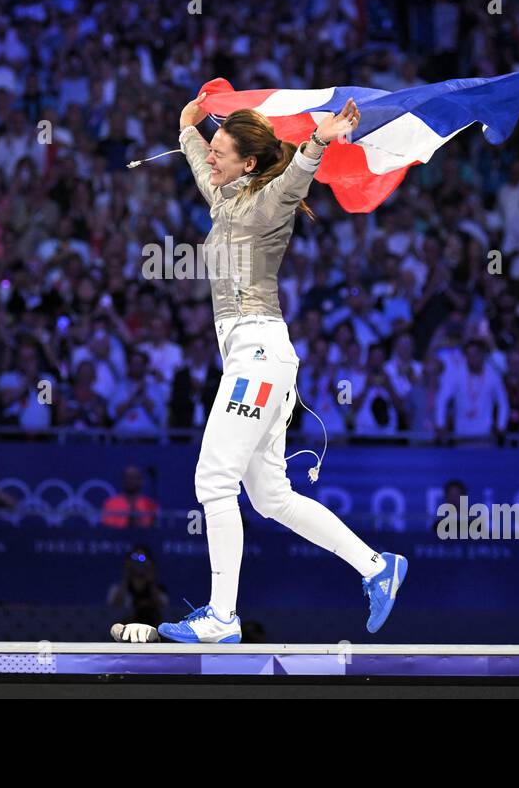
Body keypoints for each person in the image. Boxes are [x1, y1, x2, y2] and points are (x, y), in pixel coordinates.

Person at [148, 90, 405, 644]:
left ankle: (221, 616)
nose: (211, 159)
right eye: (213, 151)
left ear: (248, 162)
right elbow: (194, 151)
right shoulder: (223, 199)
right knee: (270, 498)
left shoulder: (269, 204)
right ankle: (377, 567)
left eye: (222, 152)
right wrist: (190, 123)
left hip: (259, 355)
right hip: (258, 359)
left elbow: (298, 175)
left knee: (213, 480)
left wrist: (318, 139)